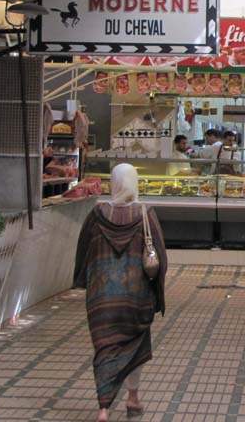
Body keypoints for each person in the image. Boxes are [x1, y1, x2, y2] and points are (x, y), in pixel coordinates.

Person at [73, 163, 168, 422]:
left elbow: (83, 251)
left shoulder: (97, 213)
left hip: (102, 297)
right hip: (135, 297)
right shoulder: (144, 213)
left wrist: (83, 281)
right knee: (135, 346)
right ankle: (133, 398)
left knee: (105, 347)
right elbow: (160, 255)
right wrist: (158, 296)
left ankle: (103, 408)